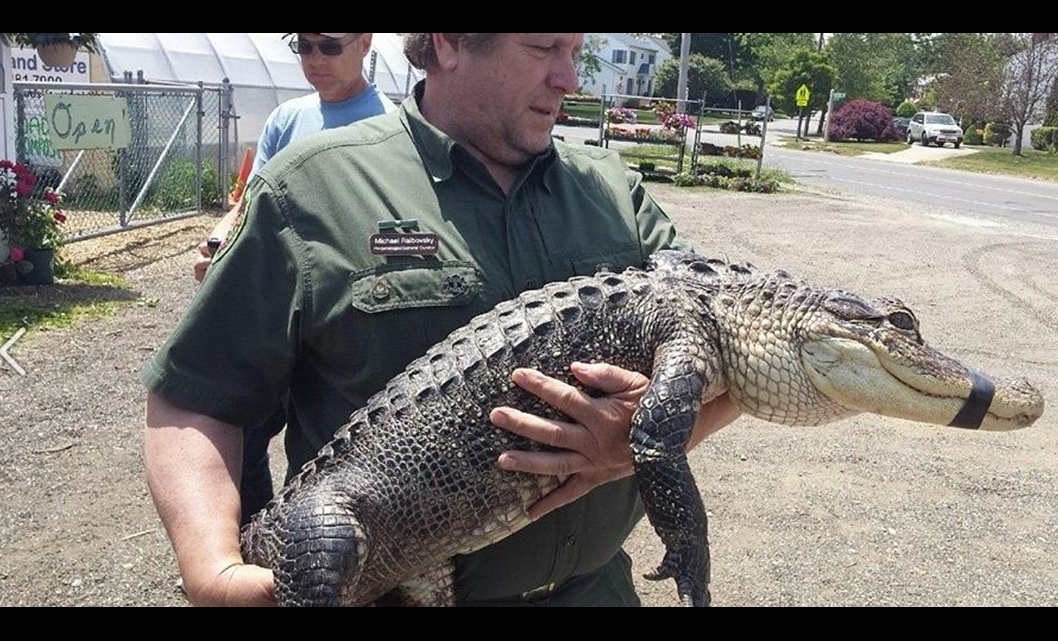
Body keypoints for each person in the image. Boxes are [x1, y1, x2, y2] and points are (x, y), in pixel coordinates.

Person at [143, 33, 741, 607]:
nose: (569, 78)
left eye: (576, 51)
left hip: (598, 591)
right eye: (542, 48)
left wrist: (639, 442)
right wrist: (212, 573)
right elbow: (198, 396)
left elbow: (732, 340)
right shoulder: (310, 191)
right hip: (394, 592)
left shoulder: (613, 190)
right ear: (450, 42)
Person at [192, 32, 395, 522]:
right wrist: (219, 244)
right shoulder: (287, 120)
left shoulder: (389, 126)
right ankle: (258, 543)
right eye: (304, 47)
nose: (314, 60)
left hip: (339, 318)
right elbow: (250, 205)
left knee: (329, 451)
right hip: (275, 311)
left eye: (329, 46)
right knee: (242, 432)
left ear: (364, 41)